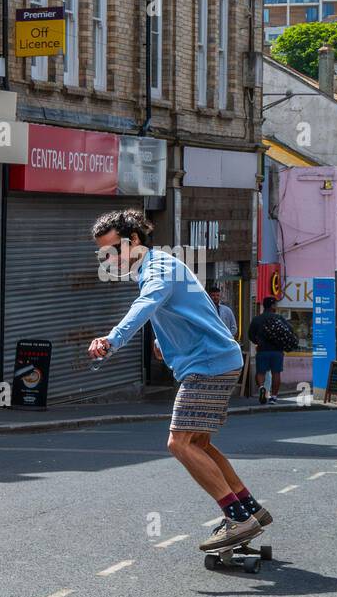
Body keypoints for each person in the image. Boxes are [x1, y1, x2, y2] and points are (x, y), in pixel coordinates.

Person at [88, 209, 272, 552]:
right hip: (216, 361)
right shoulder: (160, 264)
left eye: (113, 250)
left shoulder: (156, 269)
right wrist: (164, 343)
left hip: (208, 365)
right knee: (198, 444)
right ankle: (251, 510)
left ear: (135, 241)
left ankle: (237, 519)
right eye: (103, 254)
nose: (108, 259)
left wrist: (110, 340)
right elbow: (185, 309)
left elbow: (145, 306)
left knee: (179, 443)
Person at [248, 296, 293, 405]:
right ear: (273, 306)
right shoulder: (279, 318)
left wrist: (258, 342)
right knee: (276, 373)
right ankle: (273, 397)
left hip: (262, 350)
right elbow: (289, 330)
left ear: (263, 305)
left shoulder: (257, 319)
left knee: (260, 372)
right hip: (277, 351)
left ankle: (262, 388)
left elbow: (250, 335)